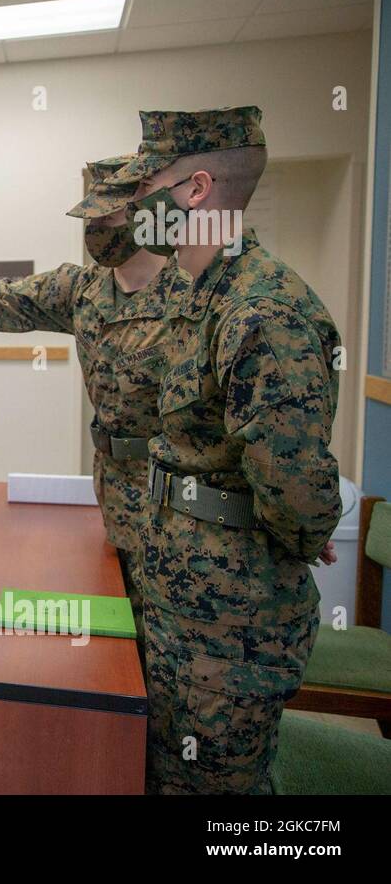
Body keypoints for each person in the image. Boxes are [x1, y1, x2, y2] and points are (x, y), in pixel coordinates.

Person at [73, 106, 342, 794]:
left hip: (230, 619)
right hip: (186, 594)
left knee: (215, 789)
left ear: (194, 191)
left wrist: (292, 529)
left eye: (142, 190)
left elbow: (298, 490)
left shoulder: (260, 310)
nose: (131, 207)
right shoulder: (203, 292)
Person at [0, 156, 184, 652]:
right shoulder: (83, 290)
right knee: (119, 636)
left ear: (149, 215)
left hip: (180, 504)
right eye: (94, 218)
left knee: (168, 647)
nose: (99, 228)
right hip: (117, 492)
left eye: (112, 217)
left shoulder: (195, 296)